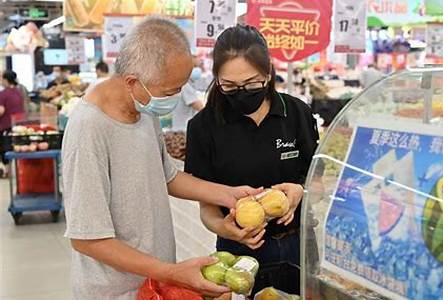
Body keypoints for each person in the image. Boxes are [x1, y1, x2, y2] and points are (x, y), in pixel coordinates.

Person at [62, 16, 260, 300]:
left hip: (155, 284)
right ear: (133, 81)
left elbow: (167, 176)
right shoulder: (89, 129)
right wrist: (171, 271)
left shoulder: (143, 109)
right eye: (171, 91)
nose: (177, 98)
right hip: (115, 292)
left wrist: (229, 195)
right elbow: (87, 239)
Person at [185, 25, 319, 295]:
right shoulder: (204, 127)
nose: (242, 93)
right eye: (230, 86)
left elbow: (319, 182)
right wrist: (224, 228)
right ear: (216, 78)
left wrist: (301, 192)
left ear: (268, 72)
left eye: (252, 84)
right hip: (241, 253)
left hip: (299, 245)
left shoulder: (296, 113)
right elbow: (208, 210)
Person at [0, 70, 25, 177]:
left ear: (5, 80)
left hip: (5, 125)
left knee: (4, 148)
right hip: (18, 125)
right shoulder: (18, 91)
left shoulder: (3, 94)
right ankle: (14, 170)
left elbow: (1, 111)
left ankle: (7, 171)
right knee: (13, 147)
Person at [171, 68, 205, 132]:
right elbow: (196, 104)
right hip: (183, 128)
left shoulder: (187, 84)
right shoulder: (184, 85)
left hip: (182, 126)